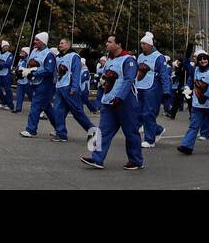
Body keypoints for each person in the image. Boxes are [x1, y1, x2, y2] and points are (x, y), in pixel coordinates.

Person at [81, 35, 143, 170]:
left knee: (131, 132)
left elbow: (129, 80)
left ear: (119, 44)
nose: (106, 44)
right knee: (102, 130)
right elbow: (106, 78)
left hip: (125, 102)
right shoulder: (109, 60)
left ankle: (136, 160)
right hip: (108, 102)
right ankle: (97, 158)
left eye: (110, 42)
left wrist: (120, 97)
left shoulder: (129, 60)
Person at [176, 49, 209, 155]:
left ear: (208, 60)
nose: (203, 61)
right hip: (197, 104)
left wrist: (206, 96)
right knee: (194, 125)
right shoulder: (195, 70)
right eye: (200, 59)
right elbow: (189, 77)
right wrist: (187, 88)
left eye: (205, 59)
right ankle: (186, 146)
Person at [51, 38, 95, 142]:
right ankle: (61, 134)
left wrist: (74, 87)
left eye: (62, 43)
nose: (60, 45)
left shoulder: (74, 56)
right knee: (58, 111)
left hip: (69, 87)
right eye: (59, 43)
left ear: (68, 45)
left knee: (77, 112)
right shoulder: (58, 57)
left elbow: (76, 72)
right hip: (60, 86)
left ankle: (93, 131)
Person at [134, 31, 169, 148]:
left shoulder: (159, 57)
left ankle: (150, 140)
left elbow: (164, 75)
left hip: (152, 88)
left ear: (150, 45)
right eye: (141, 43)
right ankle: (157, 130)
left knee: (148, 113)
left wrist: (166, 90)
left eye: (144, 44)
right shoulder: (140, 56)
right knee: (139, 112)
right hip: (140, 87)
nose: (142, 46)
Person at [20, 32, 58, 138]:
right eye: (35, 39)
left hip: (46, 83)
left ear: (43, 41)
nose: (35, 42)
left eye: (37, 40)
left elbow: (49, 70)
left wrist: (35, 73)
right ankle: (59, 128)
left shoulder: (48, 54)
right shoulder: (33, 51)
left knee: (36, 104)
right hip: (34, 82)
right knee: (46, 107)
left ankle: (31, 129)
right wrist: (24, 72)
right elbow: (30, 65)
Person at [0, 40, 14, 108]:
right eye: (5, 46)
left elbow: (8, 64)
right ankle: (3, 101)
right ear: (2, 46)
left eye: (7, 46)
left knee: (7, 89)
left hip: (6, 74)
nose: (7, 47)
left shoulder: (9, 54)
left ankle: (10, 104)